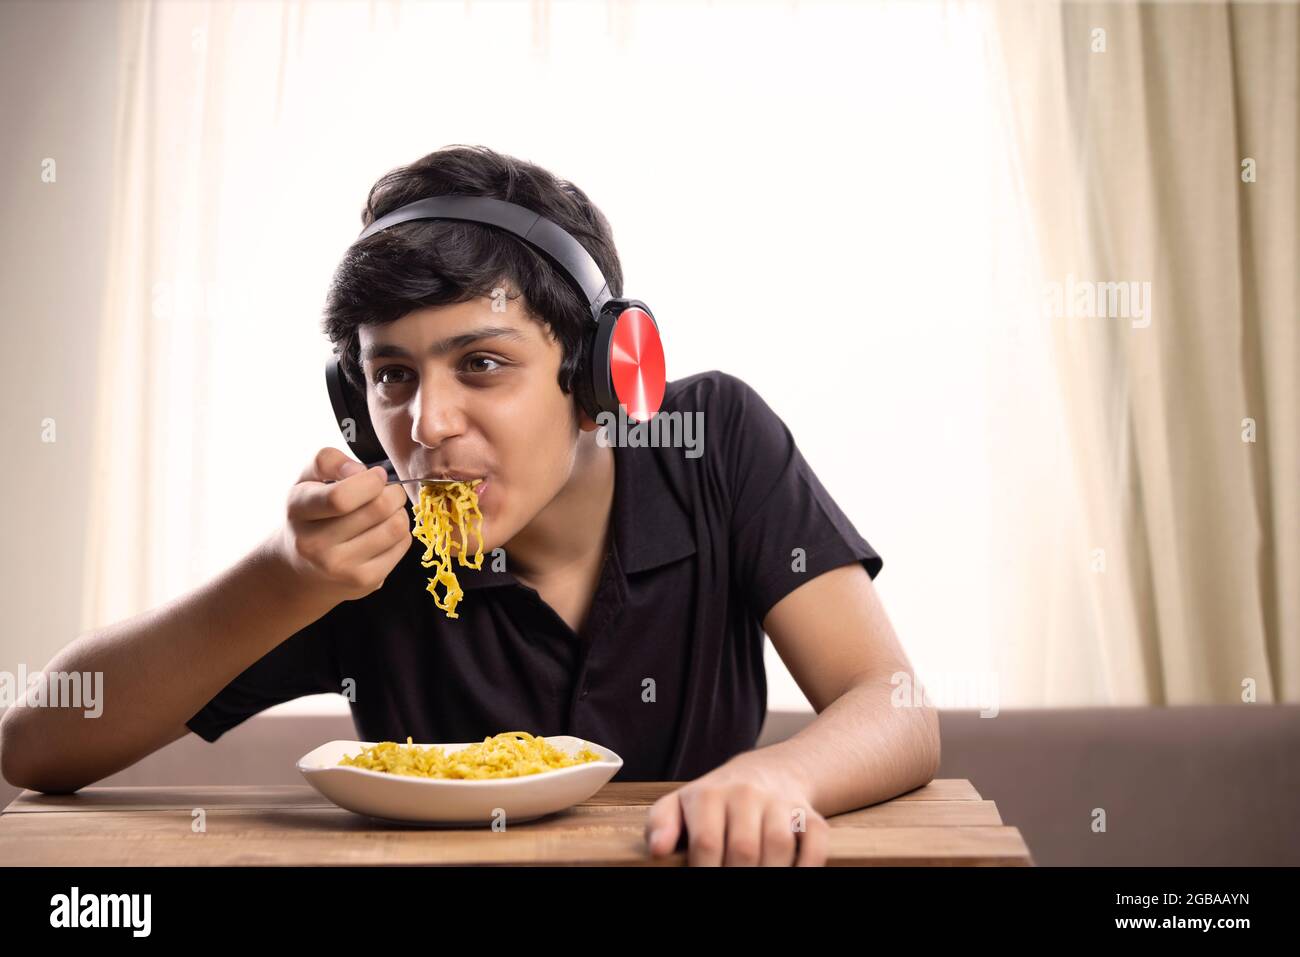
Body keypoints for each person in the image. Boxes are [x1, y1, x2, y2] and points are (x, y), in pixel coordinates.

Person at [0, 145, 939, 866]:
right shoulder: (361, 554)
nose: (428, 424)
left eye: (481, 364)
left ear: (602, 377)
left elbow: (893, 703)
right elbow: (37, 745)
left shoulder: (716, 441)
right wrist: (281, 579)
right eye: (393, 377)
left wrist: (777, 774)